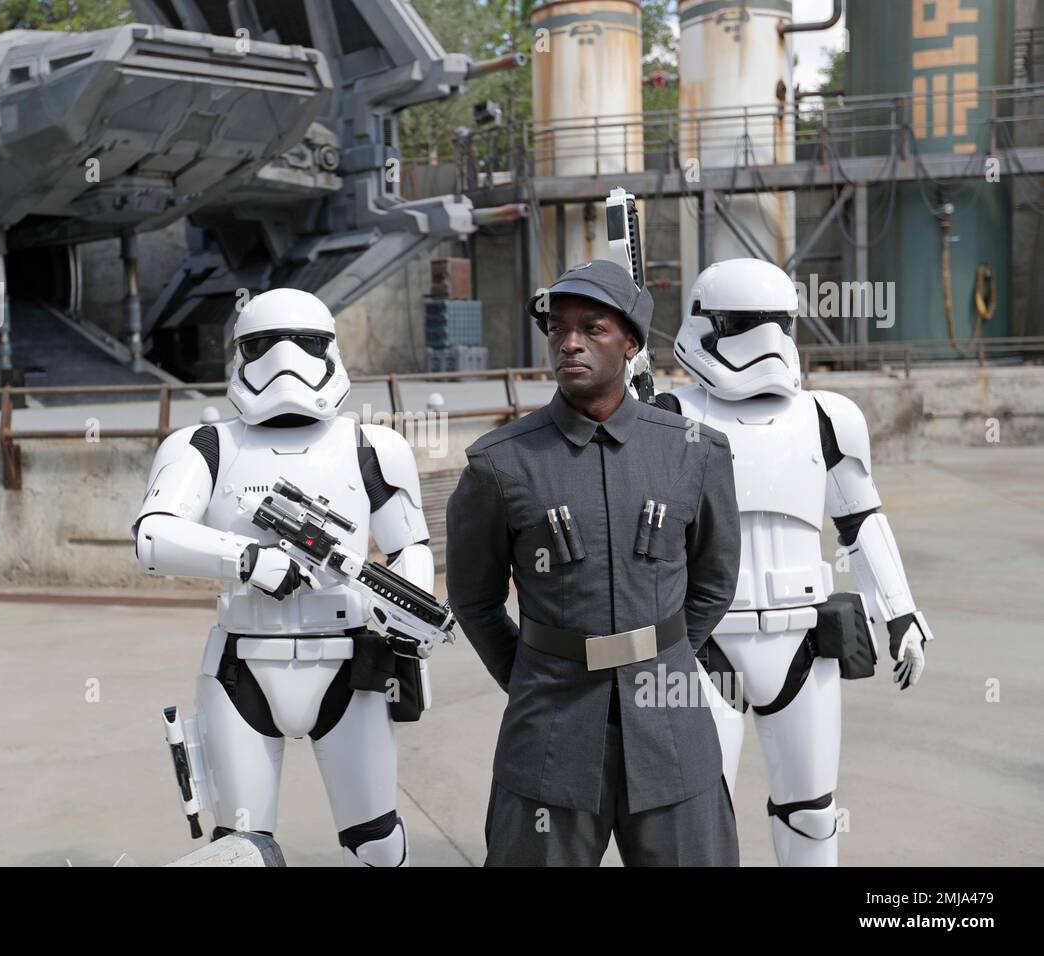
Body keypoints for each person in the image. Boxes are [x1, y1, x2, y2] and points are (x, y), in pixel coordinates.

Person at [446, 259, 742, 866]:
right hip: (550, 731)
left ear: (631, 342)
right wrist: (531, 672)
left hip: (671, 725)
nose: (569, 342)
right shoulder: (501, 465)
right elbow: (473, 599)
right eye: (558, 328)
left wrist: (663, 654)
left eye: (593, 328)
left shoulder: (693, 453)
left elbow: (714, 579)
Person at [131, 288, 435, 866]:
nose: (286, 358)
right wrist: (251, 561)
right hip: (242, 664)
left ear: (330, 352)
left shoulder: (372, 445)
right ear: (242, 354)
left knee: (377, 842)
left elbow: (410, 547)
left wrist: (406, 611)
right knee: (241, 853)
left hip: (352, 665)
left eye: (307, 343)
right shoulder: (207, 444)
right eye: (265, 344)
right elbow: (153, 535)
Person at [661, 257, 934, 866]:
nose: (765, 344)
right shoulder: (665, 413)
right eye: (745, 324)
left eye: (775, 324)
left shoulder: (828, 417)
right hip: (704, 642)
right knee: (698, 815)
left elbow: (862, 520)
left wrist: (902, 614)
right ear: (709, 327)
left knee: (812, 813)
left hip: (804, 639)